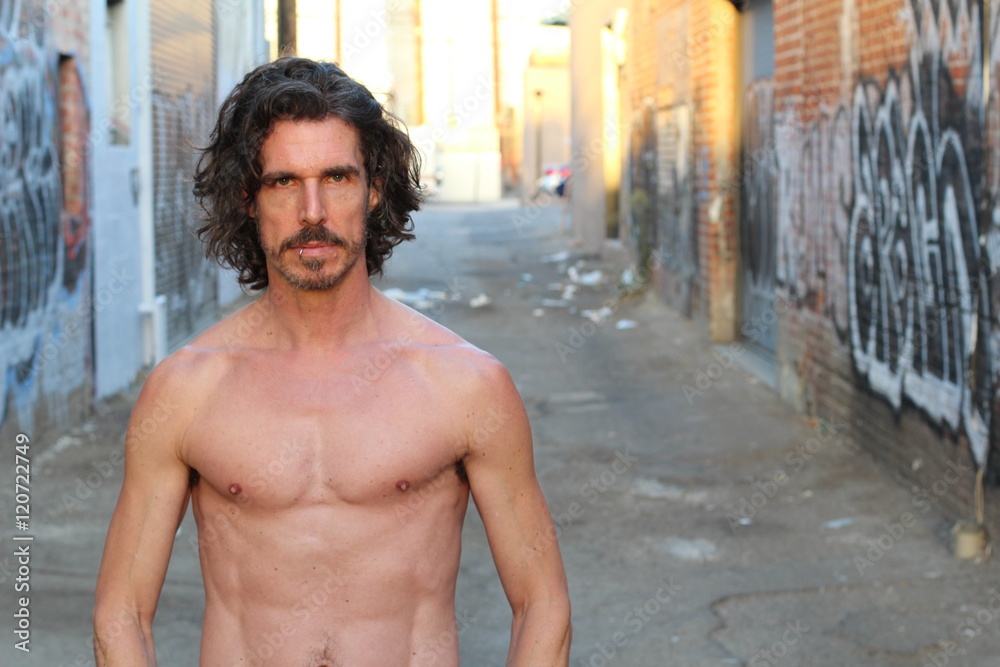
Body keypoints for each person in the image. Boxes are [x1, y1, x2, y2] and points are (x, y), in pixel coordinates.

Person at [93, 57, 571, 666]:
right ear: (248, 198)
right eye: (283, 182)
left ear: (374, 189)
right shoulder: (186, 390)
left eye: (337, 178)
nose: (312, 211)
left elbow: (542, 603)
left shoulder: (466, 384)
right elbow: (122, 612)